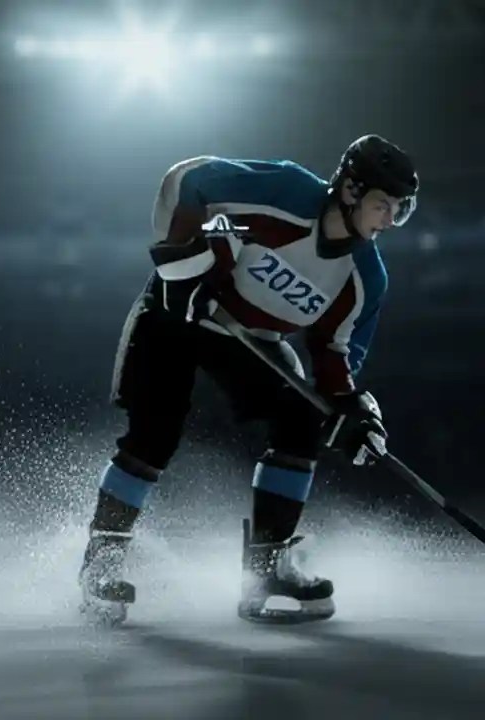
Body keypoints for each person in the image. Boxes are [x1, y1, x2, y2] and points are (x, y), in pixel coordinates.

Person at [78, 135, 419, 625]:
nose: (389, 220)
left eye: (398, 210)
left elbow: (334, 352)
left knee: (304, 419)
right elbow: (187, 180)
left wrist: (351, 411)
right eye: (382, 205)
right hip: (182, 315)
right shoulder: (283, 192)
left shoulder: (366, 277)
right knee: (155, 432)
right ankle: (102, 559)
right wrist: (183, 262)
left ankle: (266, 569)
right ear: (349, 190)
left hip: (251, 339)